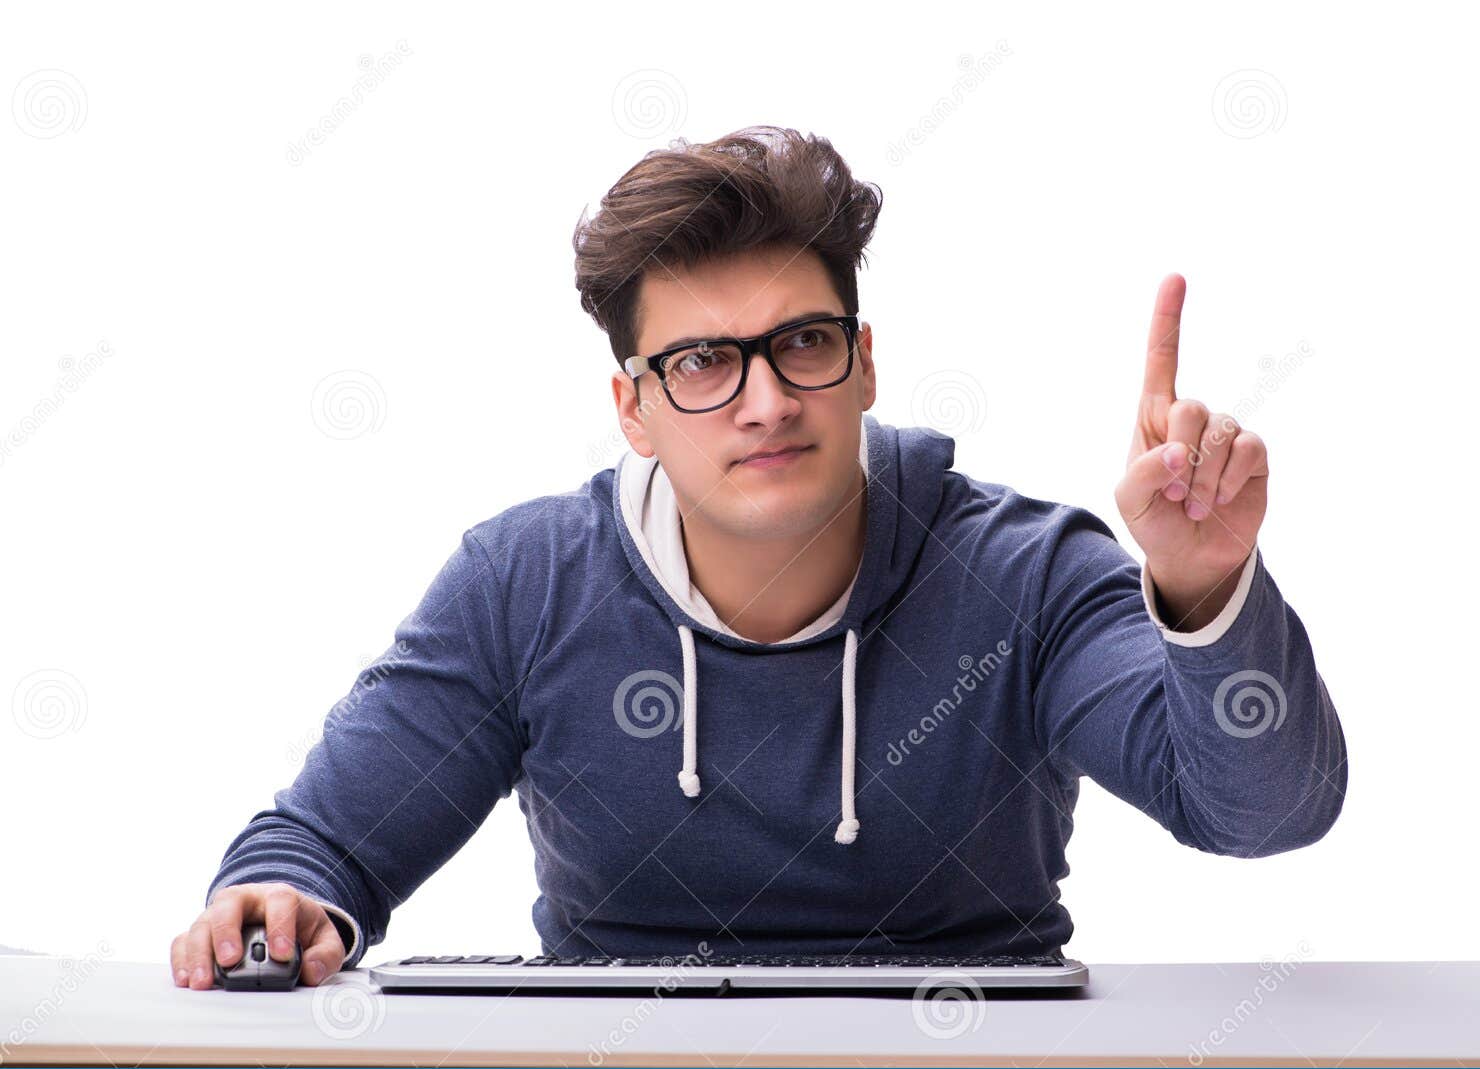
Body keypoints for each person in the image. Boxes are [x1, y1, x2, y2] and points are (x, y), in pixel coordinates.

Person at [171, 125, 1346, 989]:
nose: (766, 401)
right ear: (633, 409)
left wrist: (1203, 587)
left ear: (865, 360)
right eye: (700, 364)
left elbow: (1261, 814)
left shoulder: (1023, 573)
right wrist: (281, 901)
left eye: (801, 342)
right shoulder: (524, 584)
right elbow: (320, 845)